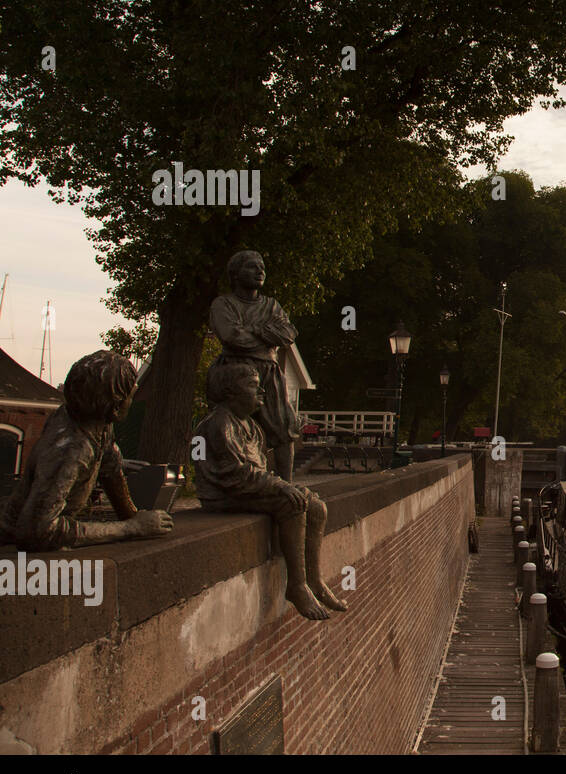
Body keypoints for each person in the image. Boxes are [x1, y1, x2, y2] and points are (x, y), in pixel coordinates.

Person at [195, 361, 346, 621]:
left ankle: (314, 579)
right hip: (225, 494)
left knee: (317, 507)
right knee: (293, 503)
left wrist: (280, 483)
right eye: (253, 386)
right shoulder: (220, 425)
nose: (262, 392)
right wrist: (280, 486)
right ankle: (297, 586)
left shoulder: (251, 427)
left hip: (248, 488)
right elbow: (236, 473)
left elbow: (262, 468)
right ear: (231, 392)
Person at [1, 351, 173, 550]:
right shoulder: (73, 451)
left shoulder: (96, 422)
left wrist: (134, 515)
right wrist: (131, 527)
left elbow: (110, 464)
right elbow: (37, 530)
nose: (131, 402)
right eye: (131, 396)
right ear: (115, 406)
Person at [209, 250, 299, 480]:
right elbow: (231, 336)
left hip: (269, 372)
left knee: (284, 427)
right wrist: (267, 334)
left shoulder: (272, 305)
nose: (260, 271)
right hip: (236, 371)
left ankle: (285, 483)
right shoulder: (224, 304)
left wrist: (253, 331)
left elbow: (288, 334)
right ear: (236, 274)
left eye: (262, 267)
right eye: (252, 266)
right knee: (232, 426)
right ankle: (231, 479)